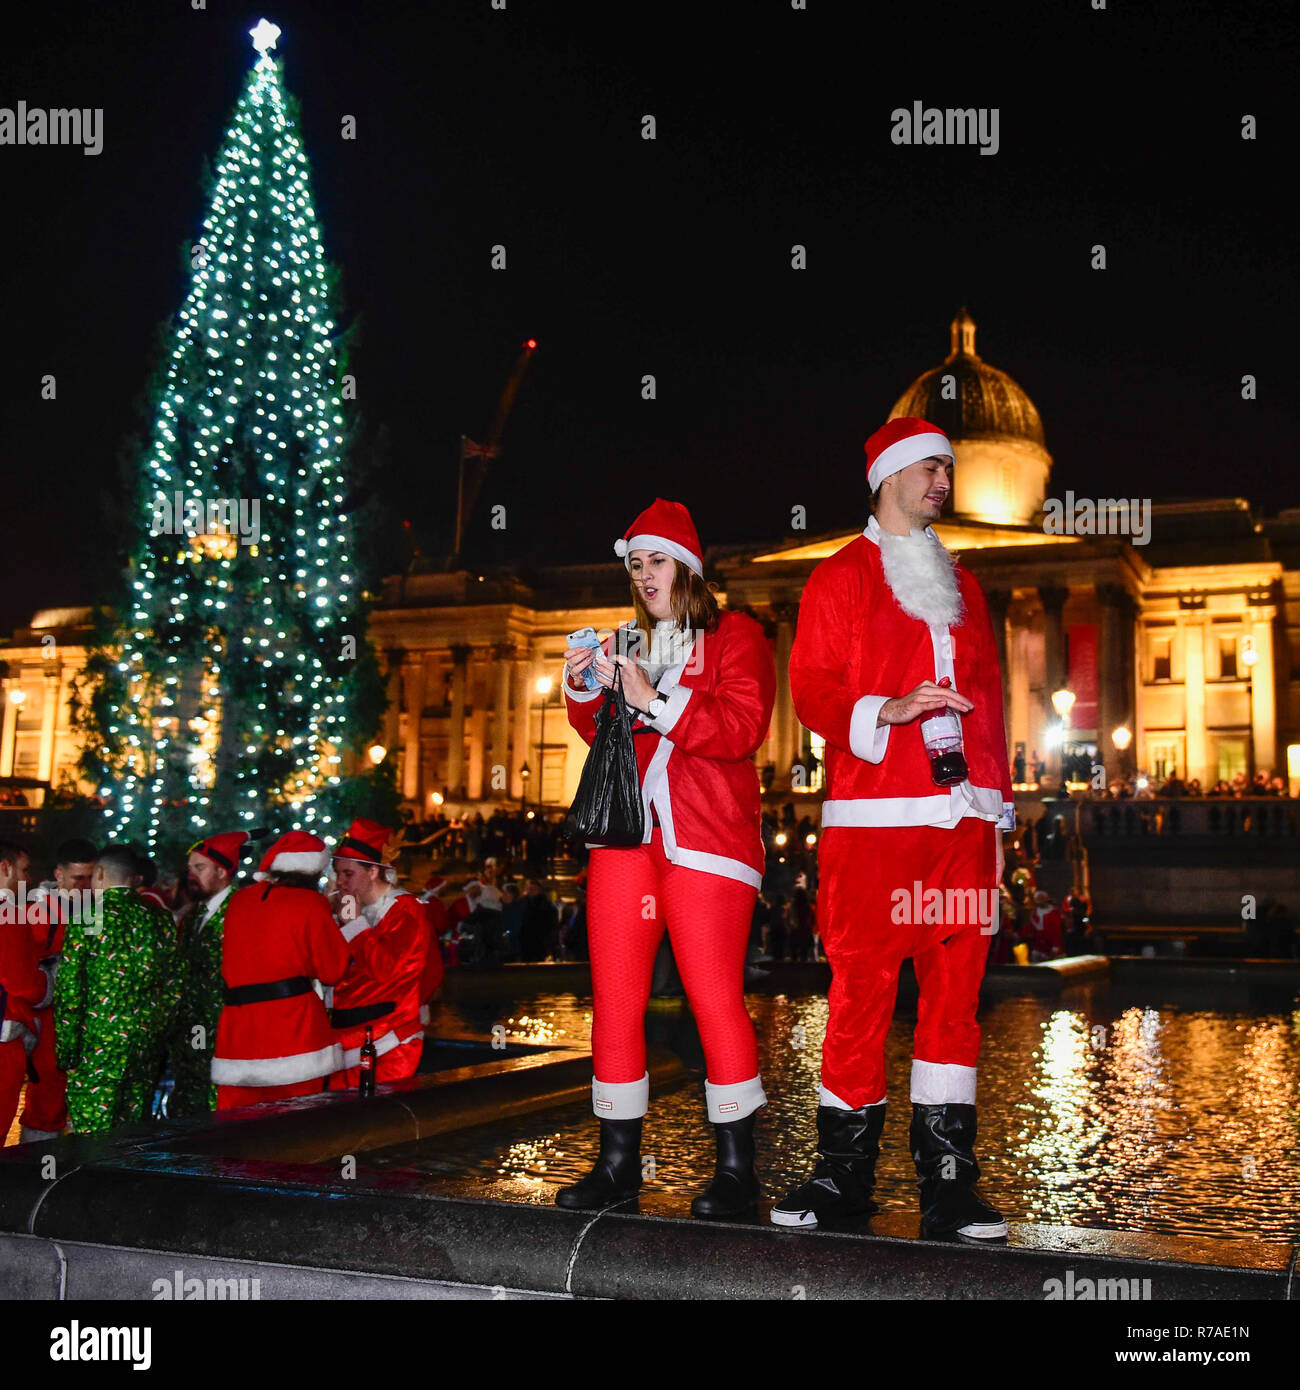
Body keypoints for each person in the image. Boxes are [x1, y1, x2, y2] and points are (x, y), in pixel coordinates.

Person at [772, 417, 1012, 1241]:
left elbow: (991, 699)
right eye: (930, 469)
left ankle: (948, 1185)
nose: (944, 483)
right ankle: (843, 1177)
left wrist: (995, 802)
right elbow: (811, 687)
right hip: (874, 827)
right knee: (860, 997)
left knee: (955, 1004)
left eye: (948, 470)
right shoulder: (838, 576)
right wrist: (888, 709)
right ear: (887, 477)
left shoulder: (967, 584)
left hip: (962, 827)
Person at [558, 497, 776, 1218]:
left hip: (707, 839)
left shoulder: (736, 634)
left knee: (713, 997)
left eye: (656, 561)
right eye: (635, 565)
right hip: (627, 838)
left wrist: (654, 698)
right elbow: (602, 733)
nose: (644, 575)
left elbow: (743, 727)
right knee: (615, 999)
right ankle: (617, 1165)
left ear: (686, 567)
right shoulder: (630, 640)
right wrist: (584, 685)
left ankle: (737, 1171)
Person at [211, 832, 350, 1110]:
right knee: (296, 1122)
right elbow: (332, 970)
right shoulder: (311, 903)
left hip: (238, 1031)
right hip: (293, 1030)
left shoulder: (238, 901)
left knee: (236, 1122)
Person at [54, 845, 179, 1132]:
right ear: (133, 877)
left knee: (92, 1134)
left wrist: (67, 1054)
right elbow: (174, 985)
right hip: (145, 1046)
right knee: (132, 1133)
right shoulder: (159, 918)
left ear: (99, 873)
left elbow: (70, 991)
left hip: (98, 1047)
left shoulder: (89, 917)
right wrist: (157, 1034)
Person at [327, 819, 429, 1089]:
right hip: (344, 1041)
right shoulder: (348, 907)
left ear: (373, 871)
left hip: (388, 1047)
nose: (340, 882)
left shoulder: (406, 910)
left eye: (348, 874)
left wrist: (353, 925)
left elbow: (386, 970)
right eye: (337, 873)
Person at [18, 837, 97, 1141]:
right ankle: (39, 1160)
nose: (85, 885)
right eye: (78, 878)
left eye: (90, 877)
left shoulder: (97, 910)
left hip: (87, 1017)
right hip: (50, 1019)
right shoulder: (37, 912)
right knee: (48, 1092)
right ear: (59, 875)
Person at [166, 831, 249, 1118]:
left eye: (199, 868)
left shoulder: (241, 910)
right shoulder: (193, 915)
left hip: (224, 1033)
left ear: (222, 872)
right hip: (192, 1034)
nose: (191, 875)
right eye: (190, 868)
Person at [1, 840, 45, 1143]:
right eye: (24, 870)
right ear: (5, 868)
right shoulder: (10, 916)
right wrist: (47, 981)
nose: (27, 879)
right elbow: (23, 984)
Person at [1028, 890, 1065, 961]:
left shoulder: (1054, 913)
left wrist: (1055, 948)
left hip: (1051, 946)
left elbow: (1057, 931)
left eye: (1041, 899)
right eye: (1037, 899)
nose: (1039, 901)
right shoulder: (1034, 913)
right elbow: (1031, 929)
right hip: (1039, 947)